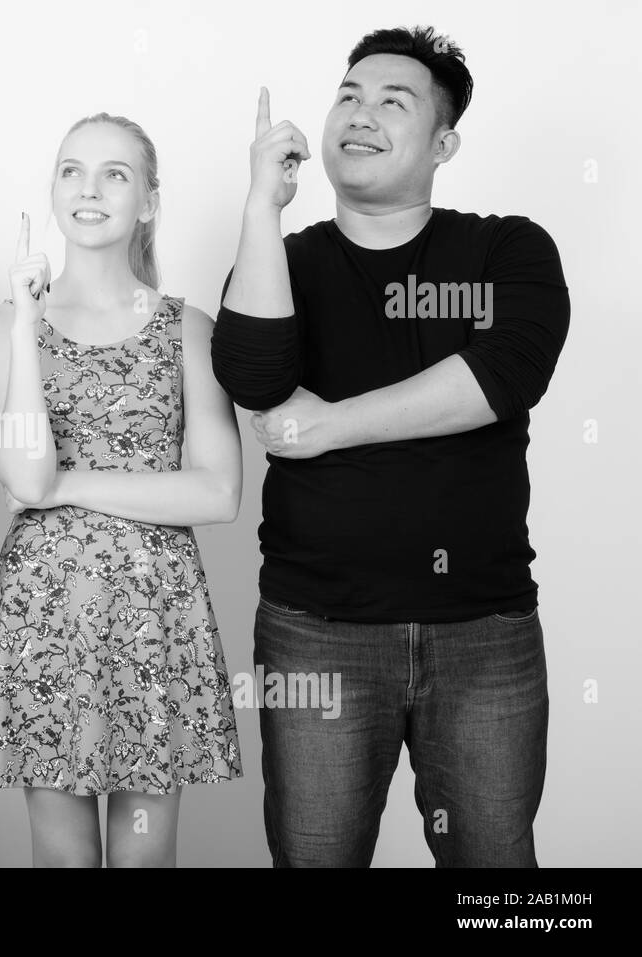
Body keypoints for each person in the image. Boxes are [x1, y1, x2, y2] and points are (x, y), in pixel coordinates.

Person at [212, 26, 571, 867]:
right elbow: (255, 378)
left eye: (393, 101)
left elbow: (503, 374)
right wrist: (260, 209)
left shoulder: (506, 247)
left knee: (499, 885)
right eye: (349, 95)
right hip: (317, 634)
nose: (361, 114)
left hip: (485, 630)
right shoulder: (283, 259)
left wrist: (333, 422)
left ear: (445, 142)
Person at [0, 114, 244, 867]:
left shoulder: (189, 328)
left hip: (158, 608)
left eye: (114, 174)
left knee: (144, 861)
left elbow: (219, 492)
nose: (88, 189)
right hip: (46, 612)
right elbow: (23, 475)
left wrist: (63, 486)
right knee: (64, 860)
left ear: (149, 201)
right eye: (71, 170)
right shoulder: (3, 326)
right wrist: (30, 318)